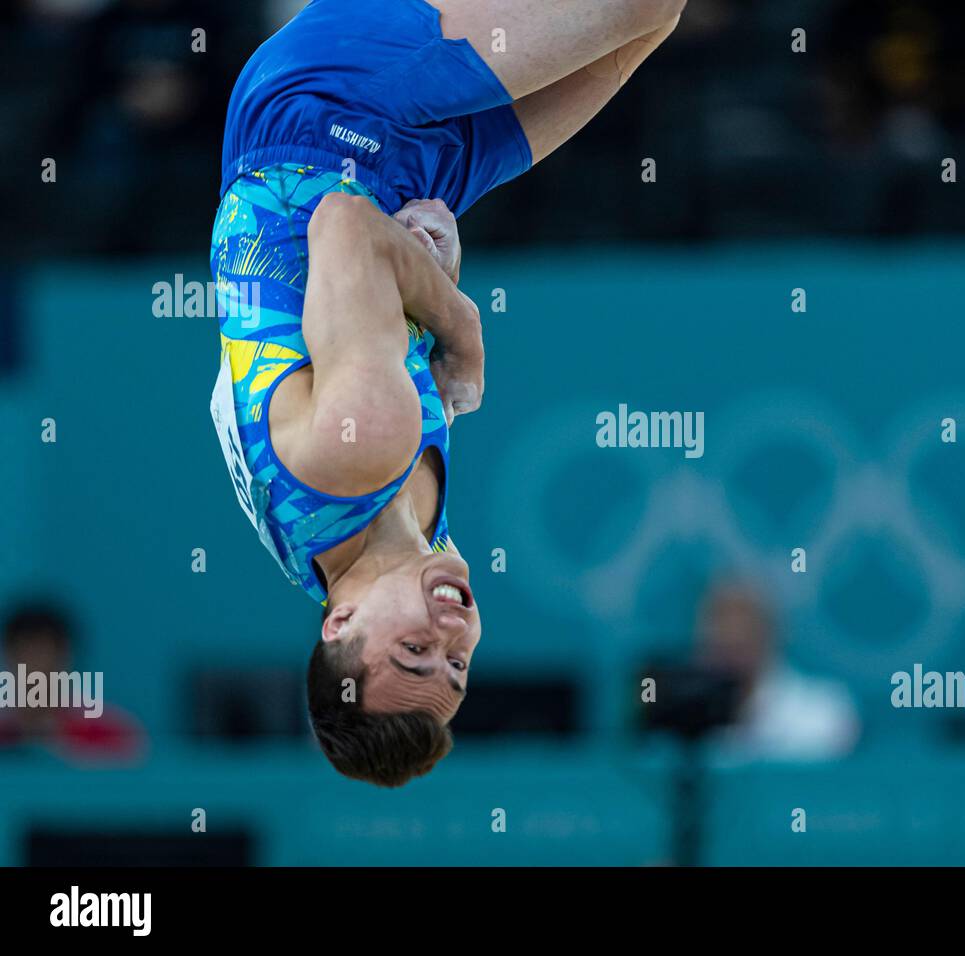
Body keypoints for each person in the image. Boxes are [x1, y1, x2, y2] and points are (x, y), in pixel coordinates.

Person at [209, 0, 687, 786]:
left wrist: (460, 326)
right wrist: (426, 269)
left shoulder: (359, 456)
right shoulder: (381, 533)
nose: (452, 635)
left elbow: (342, 228)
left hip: (333, 113)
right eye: (457, 667)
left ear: (342, 623)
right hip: (389, 160)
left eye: (417, 650)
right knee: (643, 31)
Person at [695, 582, 859, 760]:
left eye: (741, 643)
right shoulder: (688, 722)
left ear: (769, 636)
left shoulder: (827, 712)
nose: (731, 658)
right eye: (722, 646)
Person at [0, 602, 144, 761]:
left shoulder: (115, 733)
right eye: (25, 652)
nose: (37, 665)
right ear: (7, 656)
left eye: (47, 653)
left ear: (68, 657)